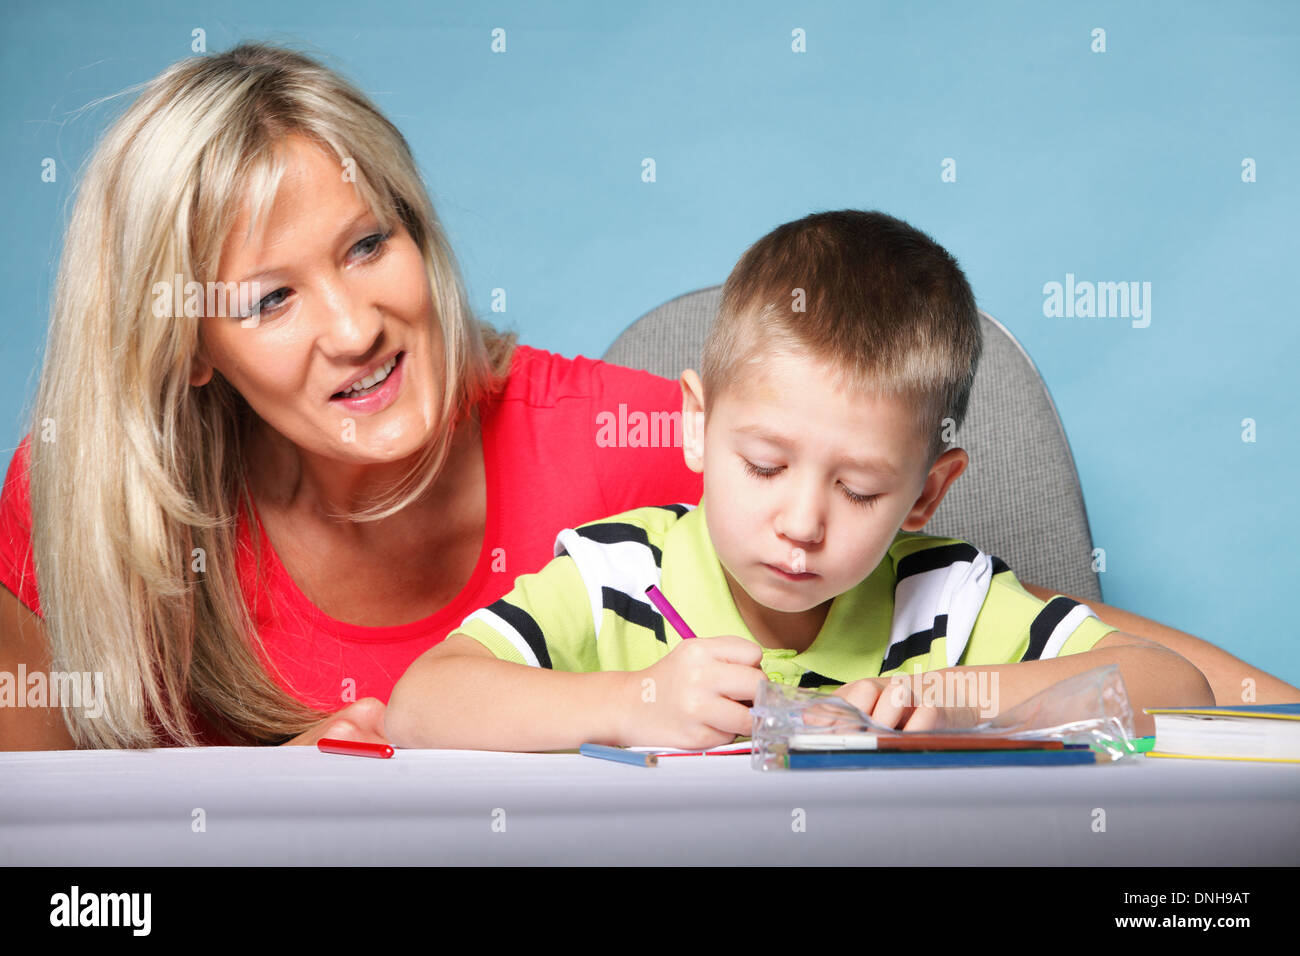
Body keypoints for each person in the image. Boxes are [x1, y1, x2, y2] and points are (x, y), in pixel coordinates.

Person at [0, 43, 1291, 751]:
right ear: (184, 347)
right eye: (267, 300)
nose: (354, 328)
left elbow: (1083, 645)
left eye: (367, 245)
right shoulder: (89, 499)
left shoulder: (627, 451)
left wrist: (1249, 704)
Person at [383, 211, 1216, 750]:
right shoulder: (615, 577)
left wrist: (955, 696)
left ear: (926, 494)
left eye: (858, 491)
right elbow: (424, 706)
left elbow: (1173, 688)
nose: (802, 522)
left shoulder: (947, 599)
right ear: (696, 428)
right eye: (766, 466)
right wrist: (630, 701)